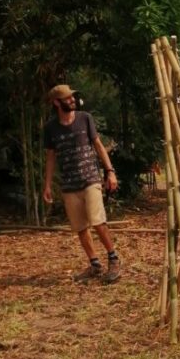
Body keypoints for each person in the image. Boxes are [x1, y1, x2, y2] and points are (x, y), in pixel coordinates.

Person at [43, 84, 121, 283]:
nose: (72, 100)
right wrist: (47, 185)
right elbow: (51, 157)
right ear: (56, 103)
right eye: (67, 98)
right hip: (69, 185)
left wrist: (110, 172)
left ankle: (113, 259)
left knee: (97, 221)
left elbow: (98, 145)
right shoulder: (50, 128)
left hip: (90, 179)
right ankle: (95, 264)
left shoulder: (85, 118)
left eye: (72, 97)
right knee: (80, 227)